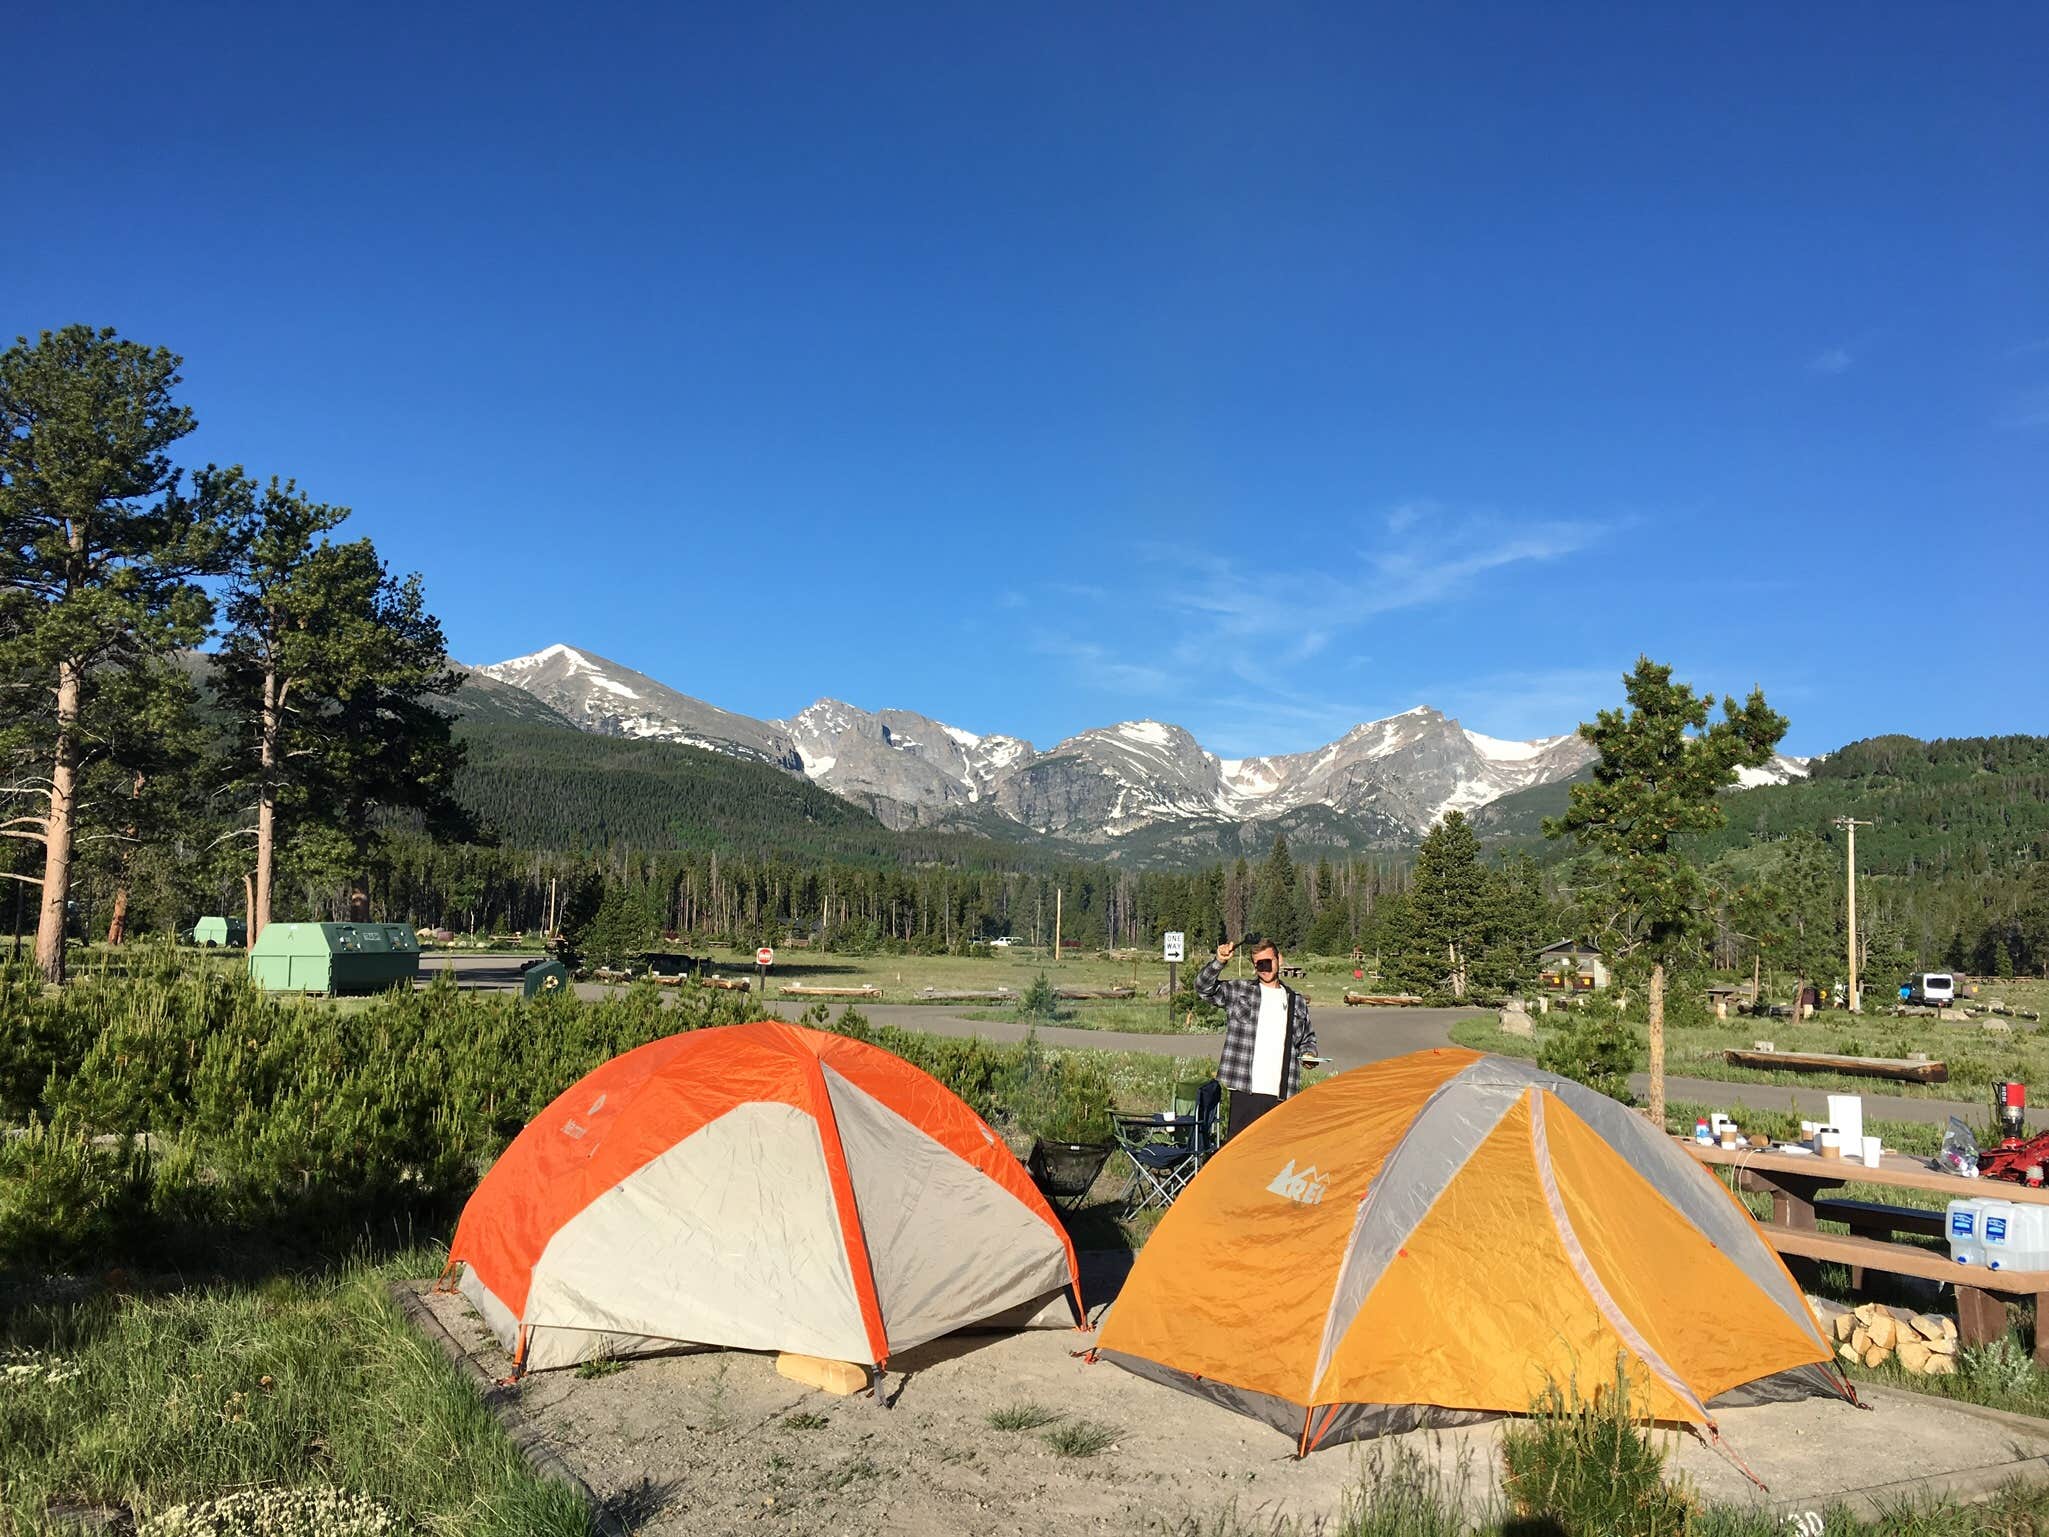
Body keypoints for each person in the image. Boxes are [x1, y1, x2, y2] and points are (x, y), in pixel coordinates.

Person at [1195, 936, 1318, 1140]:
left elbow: (1308, 1038)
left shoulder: (1297, 1001)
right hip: (1245, 1090)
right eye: (1259, 964)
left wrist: (1309, 1054)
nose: (1265, 968)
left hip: (1283, 1094)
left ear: (1280, 959)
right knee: (1239, 1154)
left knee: (1276, 1156)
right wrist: (1219, 961)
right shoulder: (1240, 991)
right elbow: (1203, 988)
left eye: (1268, 962)